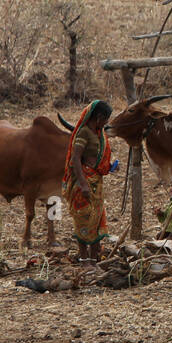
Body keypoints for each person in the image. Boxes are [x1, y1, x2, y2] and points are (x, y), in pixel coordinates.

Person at [62, 100, 114, 262]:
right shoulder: (84, 133)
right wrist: (83, 183)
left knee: (96, 220)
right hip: (83, 181)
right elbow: (75, 158)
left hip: (96, 182)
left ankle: (93, 259)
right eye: (106, 119)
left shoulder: (98, 133)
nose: (106, 123)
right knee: (83, 219)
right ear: (99, 117)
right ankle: (84, 260)